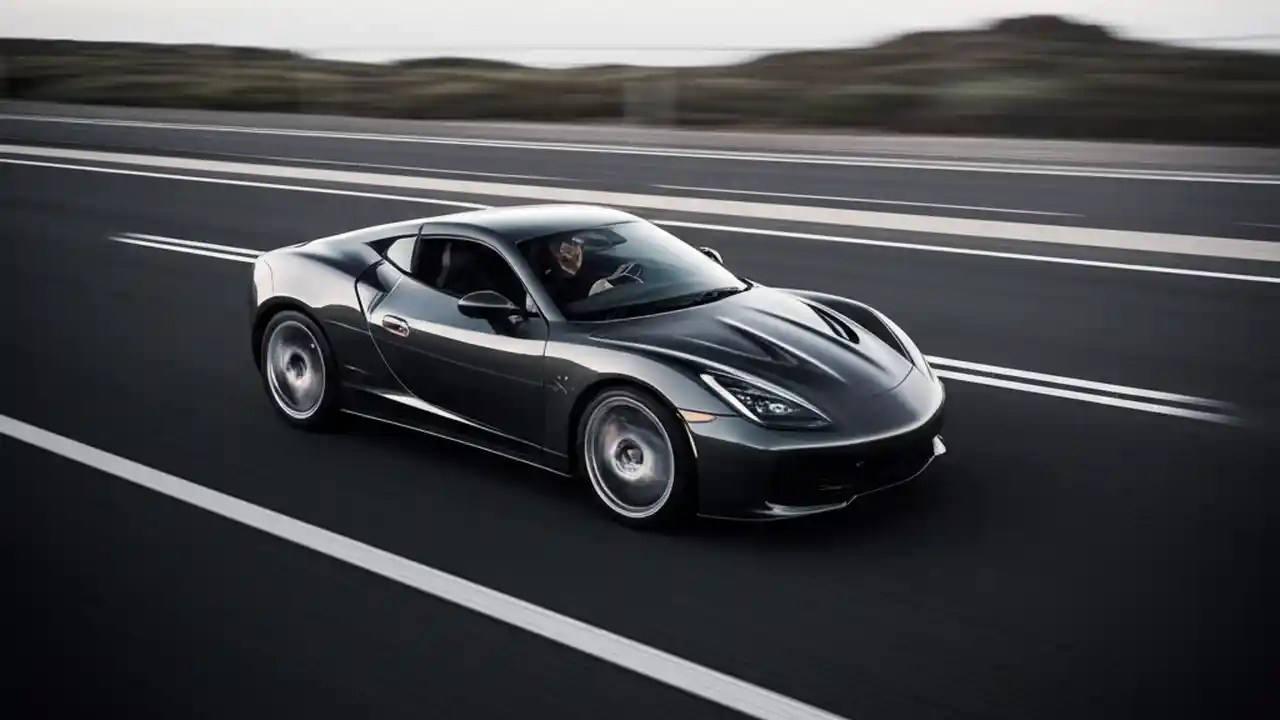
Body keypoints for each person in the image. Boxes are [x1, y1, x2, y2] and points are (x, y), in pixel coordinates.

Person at [539, 233, 641, 305]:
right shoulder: (545, 286)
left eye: (574, 243)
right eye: (559, 245)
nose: (566, 249)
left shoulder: (592, 270)